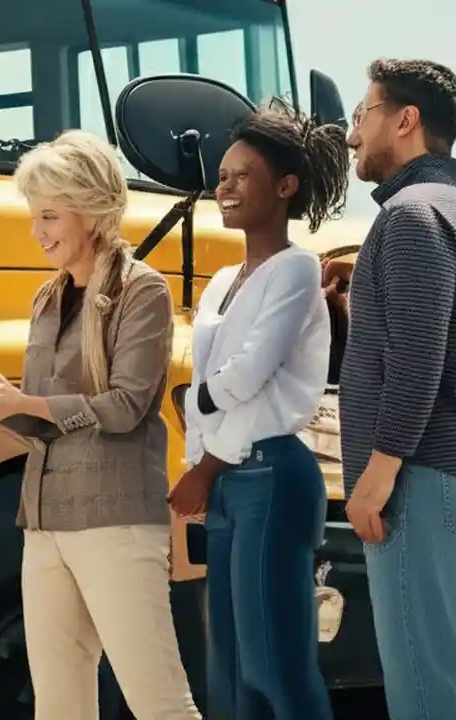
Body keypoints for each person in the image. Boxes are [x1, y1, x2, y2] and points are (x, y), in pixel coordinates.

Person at [0, 129, 201, 719]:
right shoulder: (46, 298)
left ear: (91, 211)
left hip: (115, 524)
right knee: (57, 708)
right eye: (35, 216)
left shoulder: (144, 291)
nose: (38, 232)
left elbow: (126, 406)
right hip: (43, 524)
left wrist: (22, 401)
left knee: (159, 702)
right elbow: (39, 426)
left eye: (51, 216)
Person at [340, 59, 456, 719]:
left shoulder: (412, 217)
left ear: (405, 121)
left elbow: (420, 358)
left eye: (363, 114)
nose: (352, 135)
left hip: (429, 485)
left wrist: (377, 471)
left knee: (432, 704)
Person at [167, 102, 350, 719]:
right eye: (221, 175)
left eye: (241, 175)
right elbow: (212, 380)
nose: (224, 186)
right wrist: (203, 435)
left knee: (276, 669)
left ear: (285, 186)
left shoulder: (296, 268)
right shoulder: (220, 280)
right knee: (230, 676)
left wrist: (204, 436)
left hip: (271, 478)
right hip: (222, 482)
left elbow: (251, 375)